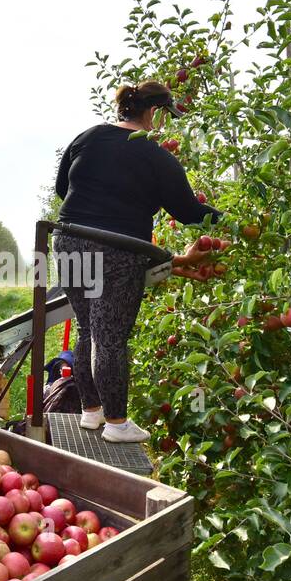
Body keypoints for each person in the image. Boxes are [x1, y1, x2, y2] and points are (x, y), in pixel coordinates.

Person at [53, 80, 221, 443]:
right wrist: (233, 221)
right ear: (154, 113)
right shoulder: (157, 156)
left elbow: (62, 189)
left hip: (68, 239)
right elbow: (189, 212)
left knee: (86, 329)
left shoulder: (88, 136)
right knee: (111, 339)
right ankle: (116, 424)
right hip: (117, 249)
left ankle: (91, 412)